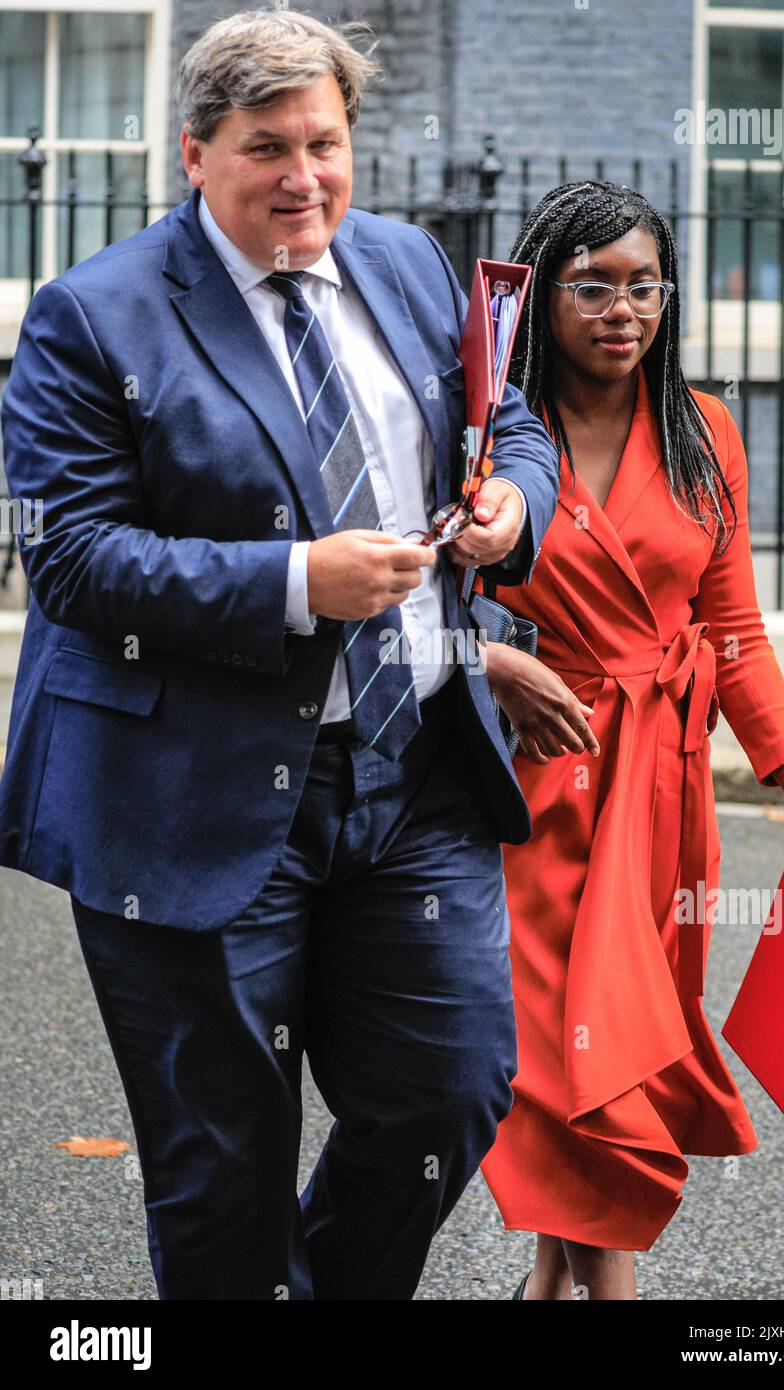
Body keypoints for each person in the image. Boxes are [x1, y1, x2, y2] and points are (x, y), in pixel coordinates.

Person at [0, 9, 560, 1300]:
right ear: (194, 154)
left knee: (447, 1092)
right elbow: (76, 561)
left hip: (408, 771)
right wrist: (298, 581)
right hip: (192, 790)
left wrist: (510, 504)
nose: (305, 175)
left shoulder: (409, 264)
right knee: (222, 1173)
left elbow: (509, 421)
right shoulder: (92, 318)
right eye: (267, 148)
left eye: (324, 141)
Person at [475, 181, 784, 1300]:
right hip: (531, 789)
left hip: (661, 798)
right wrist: (489, 664)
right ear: (543, 295)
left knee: (612, 1051)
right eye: (590, 285)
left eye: (641, 285)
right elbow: (423, 601)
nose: (620, 309)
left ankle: (550, 1287)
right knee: (560, 1056)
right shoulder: (496, 435)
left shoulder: (703, 432)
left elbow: (734, 635)